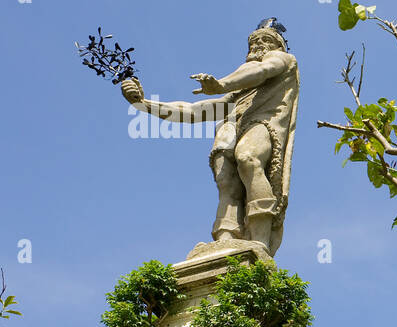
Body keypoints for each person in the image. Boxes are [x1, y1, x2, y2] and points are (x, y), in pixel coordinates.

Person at [120, 19, 298, 253]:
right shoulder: (238, 93)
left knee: (248, 157)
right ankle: (225, 239)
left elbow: (262, 70)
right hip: (235, 123)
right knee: (226, 180)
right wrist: (143, 104)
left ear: (279, 46)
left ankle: (260, 239)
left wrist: (221, 84)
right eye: (254, 41)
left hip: (264, 122)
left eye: (266, 40)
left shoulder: (284, 61)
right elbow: (193, 111)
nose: (259, 45)